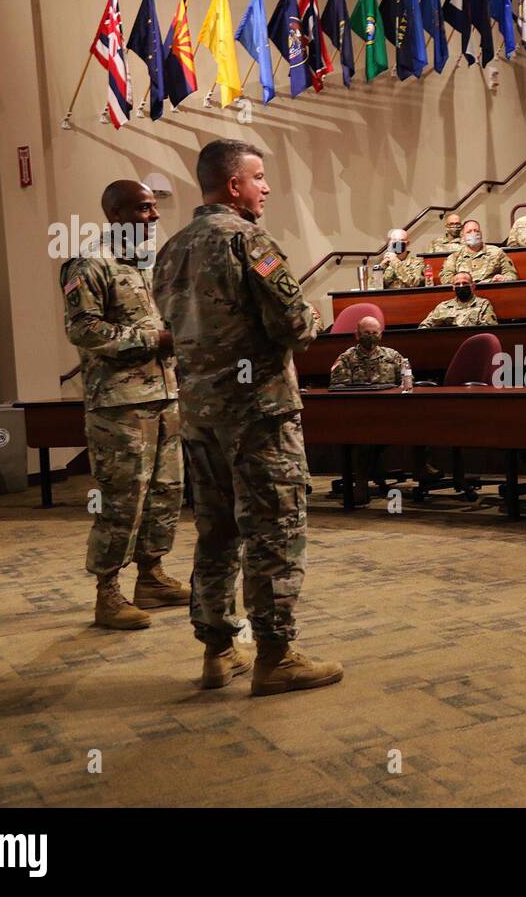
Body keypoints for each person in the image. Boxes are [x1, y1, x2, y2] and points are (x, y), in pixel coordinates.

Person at [153, 139, 341, 696]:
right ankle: (276, 655)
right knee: (275, 528)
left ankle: (217, 651)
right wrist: (310, 318)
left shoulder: (172, 249)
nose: (265, 188)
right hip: (258, 412)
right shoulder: (248, 240)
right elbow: (292, 322)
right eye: (258, 178)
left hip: (199, 414)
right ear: (233, 185)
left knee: (216, 530)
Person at [61, 180, 186, 632]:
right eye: (143, 209)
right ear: (115, 214)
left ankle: (151, 577)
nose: (153, 217)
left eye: (154, 209)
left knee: (166, 490)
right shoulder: (90, 264)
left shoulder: (151, 265)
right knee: (122, 498)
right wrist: (155, 339)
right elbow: (84, 330)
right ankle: (107, 592)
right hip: (119, 404)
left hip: (165, 396)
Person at [329, 316, 409, 505]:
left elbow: (405, 384)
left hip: (391, 412)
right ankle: (361, 482)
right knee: (364, 436)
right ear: (357, 335)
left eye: (375, 333)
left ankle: (423, 468)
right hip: (360, 413)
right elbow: (337, 386)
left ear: (380, 334)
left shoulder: (392, 356)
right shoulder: (347, 357)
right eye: (366, 333)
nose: (371, 337)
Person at [440, 220, 518, 283]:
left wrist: (503, 278)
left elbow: (511, 274)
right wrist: (463, 280)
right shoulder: (454, 257)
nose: (473, 233)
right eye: (469, 232)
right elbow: (445, 279)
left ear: (481, 234)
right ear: (462, 236)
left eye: (476, 230)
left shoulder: (497, 252)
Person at [419, 271, 499, 327]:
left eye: (465, 283)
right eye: (457, 284)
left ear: (473, 286)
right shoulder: (443, 306)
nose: (461, 286)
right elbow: (424, 326)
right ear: (453, 288)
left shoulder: (483, 304)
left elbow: (489, 328)